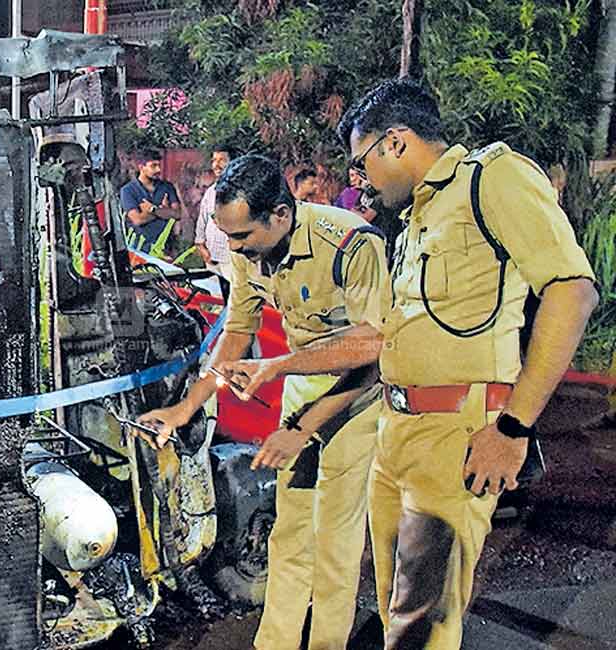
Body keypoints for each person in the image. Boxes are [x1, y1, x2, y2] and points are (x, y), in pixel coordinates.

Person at [225, 79, 598, 650]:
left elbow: (571, 291)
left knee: (423, 623)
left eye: (361, 163)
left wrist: (514, 426)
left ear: (395, 142)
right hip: (397, 436)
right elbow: (384, 337)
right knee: (398, 612)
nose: (359, 180)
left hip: (454, 435)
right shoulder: (416, 218)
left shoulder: (489, 178)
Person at [138, 154, 390, 650]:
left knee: (336, 542)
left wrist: (280, 380)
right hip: (300, 385)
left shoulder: (351, 243)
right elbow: (236, 331)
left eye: (242, 237)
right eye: (228, 237)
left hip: (357, 398)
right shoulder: (248, 249)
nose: (234, 249)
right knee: (290, 535)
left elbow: (372, 346)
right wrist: (186, 407)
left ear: (280, 213)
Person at [120, 148, 185, 257]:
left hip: (167, 247)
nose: (158, 169)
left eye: (159, 165)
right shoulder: (128, 190)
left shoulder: (167, 187)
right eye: (153, 166)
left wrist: (152, 209)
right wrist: (164, 211)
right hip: (139, 248)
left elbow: (177, 214)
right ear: (141, 167)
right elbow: (137, 219)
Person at [196, 147, 235, 281]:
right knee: (214, 298)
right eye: (214, 161)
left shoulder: (239, 192)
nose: (216, 165)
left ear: (233, 163)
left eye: (222, 160)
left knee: (234, 298)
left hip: (231, 257)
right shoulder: (211, 191)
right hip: (211, 256)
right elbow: (202, 219)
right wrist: (200, 245)